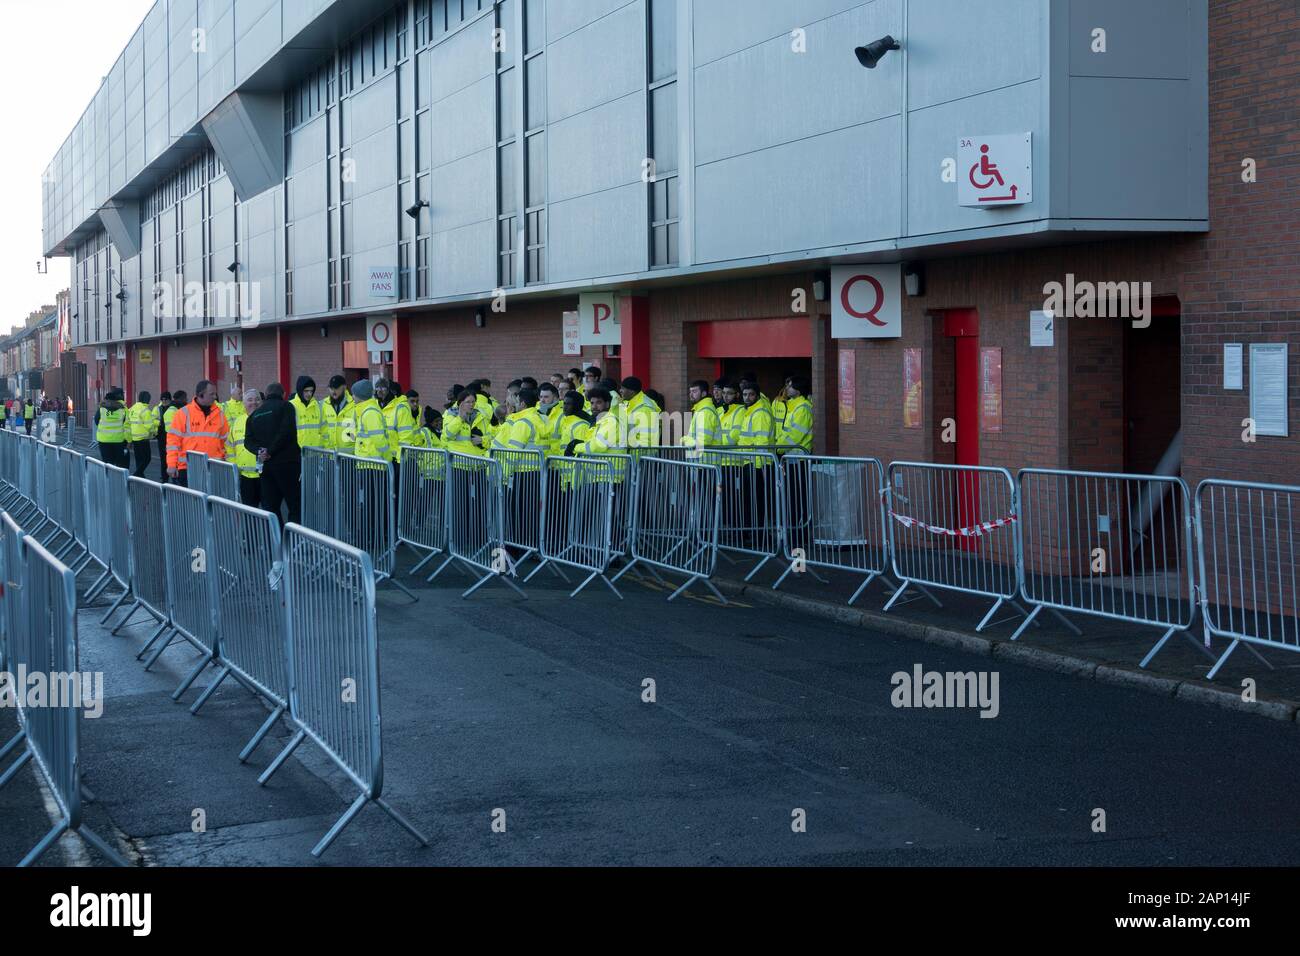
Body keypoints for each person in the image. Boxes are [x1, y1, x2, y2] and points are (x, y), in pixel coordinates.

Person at [244, 382, 300, 525]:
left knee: (271, 506)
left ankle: (278, 540)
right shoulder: (286, 407)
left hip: (266, 467)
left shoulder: (254, 415)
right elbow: (286, 432)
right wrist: (271, 450)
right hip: (287, 463)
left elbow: (248, 441)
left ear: (266, 395)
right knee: (294, 504)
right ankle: (293, 541)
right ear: (283, 394)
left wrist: (260, 451)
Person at [166, 380, 229, 486]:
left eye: (215, 393)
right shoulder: (183, 413)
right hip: (188, 468)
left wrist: (227, 463)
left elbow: (226, 442)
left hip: (213, 467)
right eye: (212, 394)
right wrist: (171, 464)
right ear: (201, 395)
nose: (215, 396)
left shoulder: (220, 415)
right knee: (189, 501)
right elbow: (173, 442)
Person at [225, 389, 263, 507]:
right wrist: (234, 467)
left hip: (265, 475)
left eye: (257, 399)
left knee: (269, 512)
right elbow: (230, 446)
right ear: (243, 403)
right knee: (249, 512)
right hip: (245, 476)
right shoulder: (237, 422)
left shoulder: (268, 418)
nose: (254, 402)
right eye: (250, 400)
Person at [569, 388, 621, 457]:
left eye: (598, 402)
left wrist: (575, 447)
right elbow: (591, 444)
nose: (594, 406)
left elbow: (596, 447)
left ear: (607, 404)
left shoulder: (610, 421)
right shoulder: (600, 422)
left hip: (611, 466)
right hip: (603, 466)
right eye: (592, 403)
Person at [618, 376, 661, 450]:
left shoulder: (645, 409)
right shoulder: (630, 404)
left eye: (623, 388)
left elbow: (645, 440)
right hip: (634, 455)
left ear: (632, 391)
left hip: (641, 457)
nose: (620, 391)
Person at [443, 390, 490, 457]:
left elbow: (491, 436)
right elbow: (448, 435)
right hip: (459, 464)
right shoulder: (451, 415)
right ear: (460, 403)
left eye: (473, 401)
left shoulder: (481, 416)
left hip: (478, 462)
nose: (471, 404)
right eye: (468, 402)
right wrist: (460, 419)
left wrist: (482, 440)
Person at [289, 375, 329, 450]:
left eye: (311, 391)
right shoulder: (291, 406)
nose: (309, 394)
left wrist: (326, 450)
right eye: (306, 391)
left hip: (316, 453)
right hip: (297, 453)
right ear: (300, 390)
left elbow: (325, 431)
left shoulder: (318, 406)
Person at [681, 380, 721, 451]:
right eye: (690, 391)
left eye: (694, 391)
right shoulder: (700, 410)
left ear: (703, 394)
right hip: (700, 459)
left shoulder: (705, 411)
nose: (691, 394)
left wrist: (685, 441)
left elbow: (704, 441)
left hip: (706, 460)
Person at [777, 376, 814, 453]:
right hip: (792, 456)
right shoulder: (794, 406)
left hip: (799, 457)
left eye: (790, 386)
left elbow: (795, 436)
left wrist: (779, 447)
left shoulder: (802, 409)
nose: (787, 388)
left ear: (798, 391)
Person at [94, 390, 130, 468]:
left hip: (103, 439)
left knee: (107, 464)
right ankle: (119, 480)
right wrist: (128, 440)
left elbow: (96, 421)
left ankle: (108, 479)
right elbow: (127, 425)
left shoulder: (101, 409)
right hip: (118, 439)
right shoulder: (123, 409)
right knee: (119, 464)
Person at [127, 391, 157, 478]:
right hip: (143, 438)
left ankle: (140, 476)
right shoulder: (145, 410)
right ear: (146, 399)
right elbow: (149, 426)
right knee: (147, 458)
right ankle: (136, 474)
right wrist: (154, 433)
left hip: (134, 437)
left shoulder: (132, 408)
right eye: (149, 399)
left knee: (138, 458)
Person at [160, 391, 185, 483]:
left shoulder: (170, 410)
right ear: (179, 399)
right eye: (184, 398)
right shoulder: (176, 411)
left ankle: (167, 479)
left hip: (168, 438)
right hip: (173, 440)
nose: (186, 400)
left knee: (165, 459)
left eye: (165, 399)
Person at [324, 374, 354, 448]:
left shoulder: (354, 404)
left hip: (348, 455)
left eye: (336, 388)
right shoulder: (323, 404)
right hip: (329, 454)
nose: (333, 391)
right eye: (331, 388)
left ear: (344, 387)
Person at [718, 381, 742, 446]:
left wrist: (719, 445)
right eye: (723, 393)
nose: (725, 396)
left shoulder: (741, 410)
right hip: (721, 452)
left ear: (737, 395)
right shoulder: (721, 410)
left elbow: (735, 434)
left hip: (730, 453)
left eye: (729, 393)